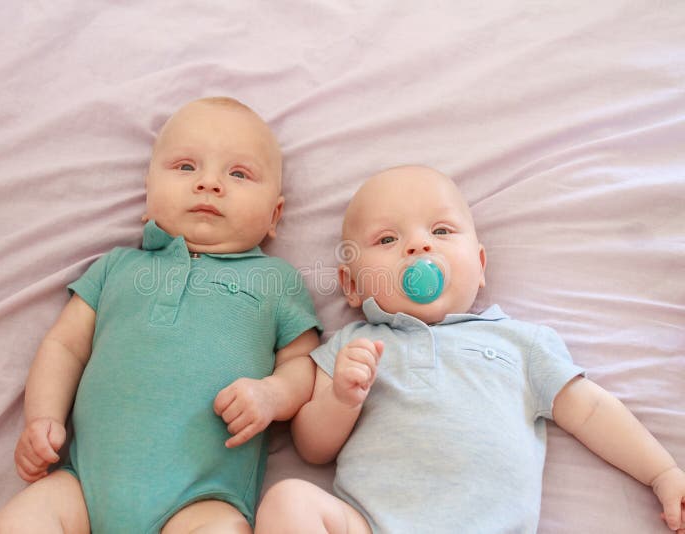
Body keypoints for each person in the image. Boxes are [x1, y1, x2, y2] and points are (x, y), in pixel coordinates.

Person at [255, 165, 685, 533]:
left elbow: (592, 411)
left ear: (479, 266)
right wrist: (341, 399)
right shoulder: (355, 345)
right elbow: (312, 449)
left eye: (441, 231)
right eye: (387, 240)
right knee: (287, 501)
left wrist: (662, 472)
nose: (419, 246)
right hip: (371, 523)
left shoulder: (519, 343)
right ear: (349, 284)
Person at [0, 97, 321, 534]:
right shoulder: (116, 268)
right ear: (147, 194)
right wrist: (42, 418)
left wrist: (272, 395)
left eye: (238, 174)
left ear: (275, 215)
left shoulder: (277, 280)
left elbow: (303, 364)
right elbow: (64, 345)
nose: (209, 183)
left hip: (201, 502)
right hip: (82, 488)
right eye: (185, 167)